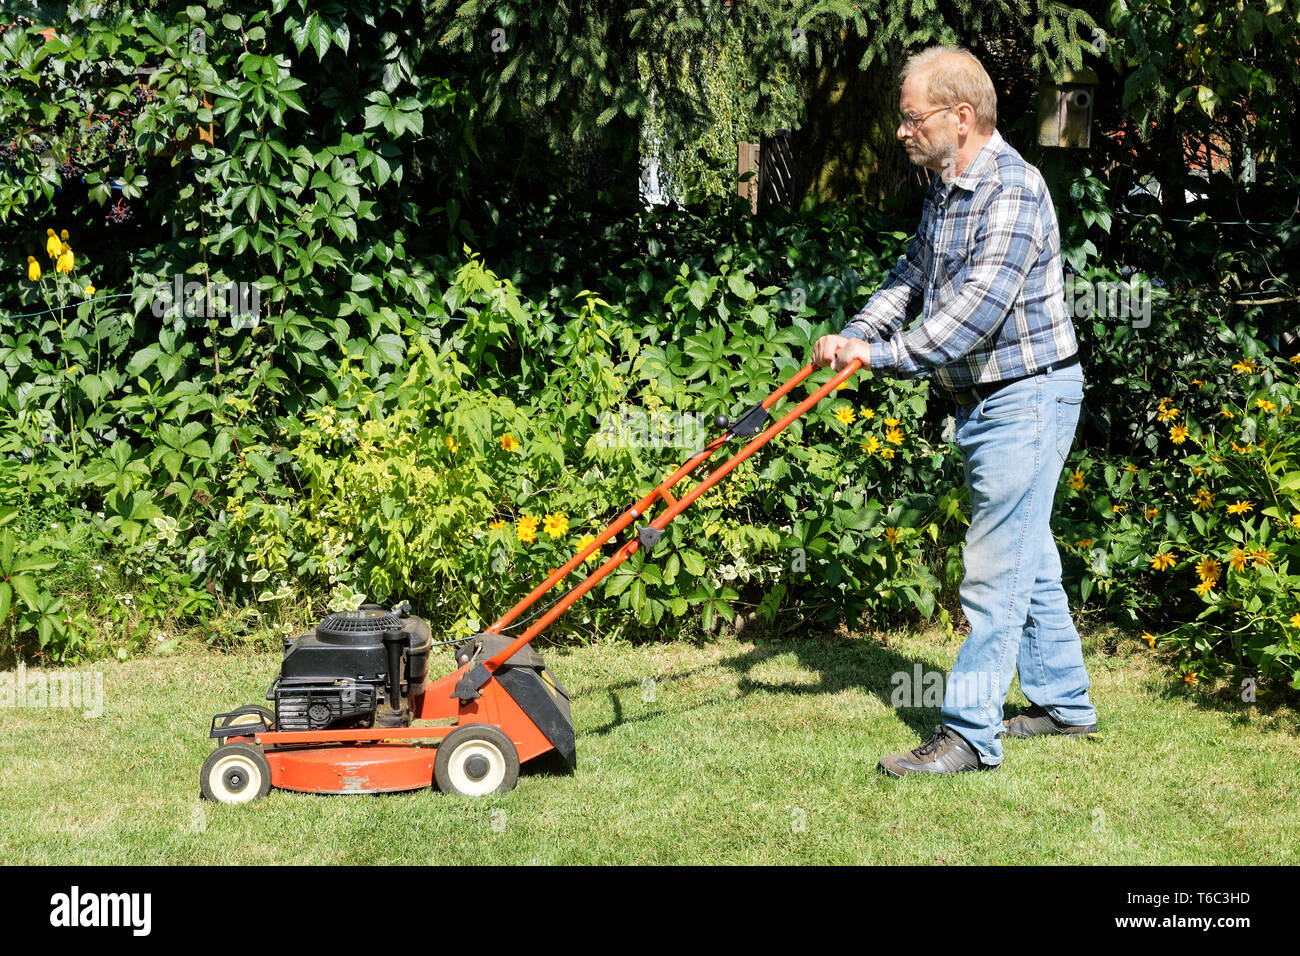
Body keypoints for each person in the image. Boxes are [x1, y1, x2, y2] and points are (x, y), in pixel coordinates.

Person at [811, 46, 1098, 776]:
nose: (901, 131)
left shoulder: (1012, 189)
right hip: (990, 398)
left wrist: (876, 358)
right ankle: (1065, 703)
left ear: (959, 117)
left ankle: (970, 733)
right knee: (1026, 553)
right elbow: (915, 274)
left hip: (1026, 395)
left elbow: (973, 316)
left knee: (994, 569)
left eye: (911, 118)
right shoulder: (948, 185)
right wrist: (859, 332)